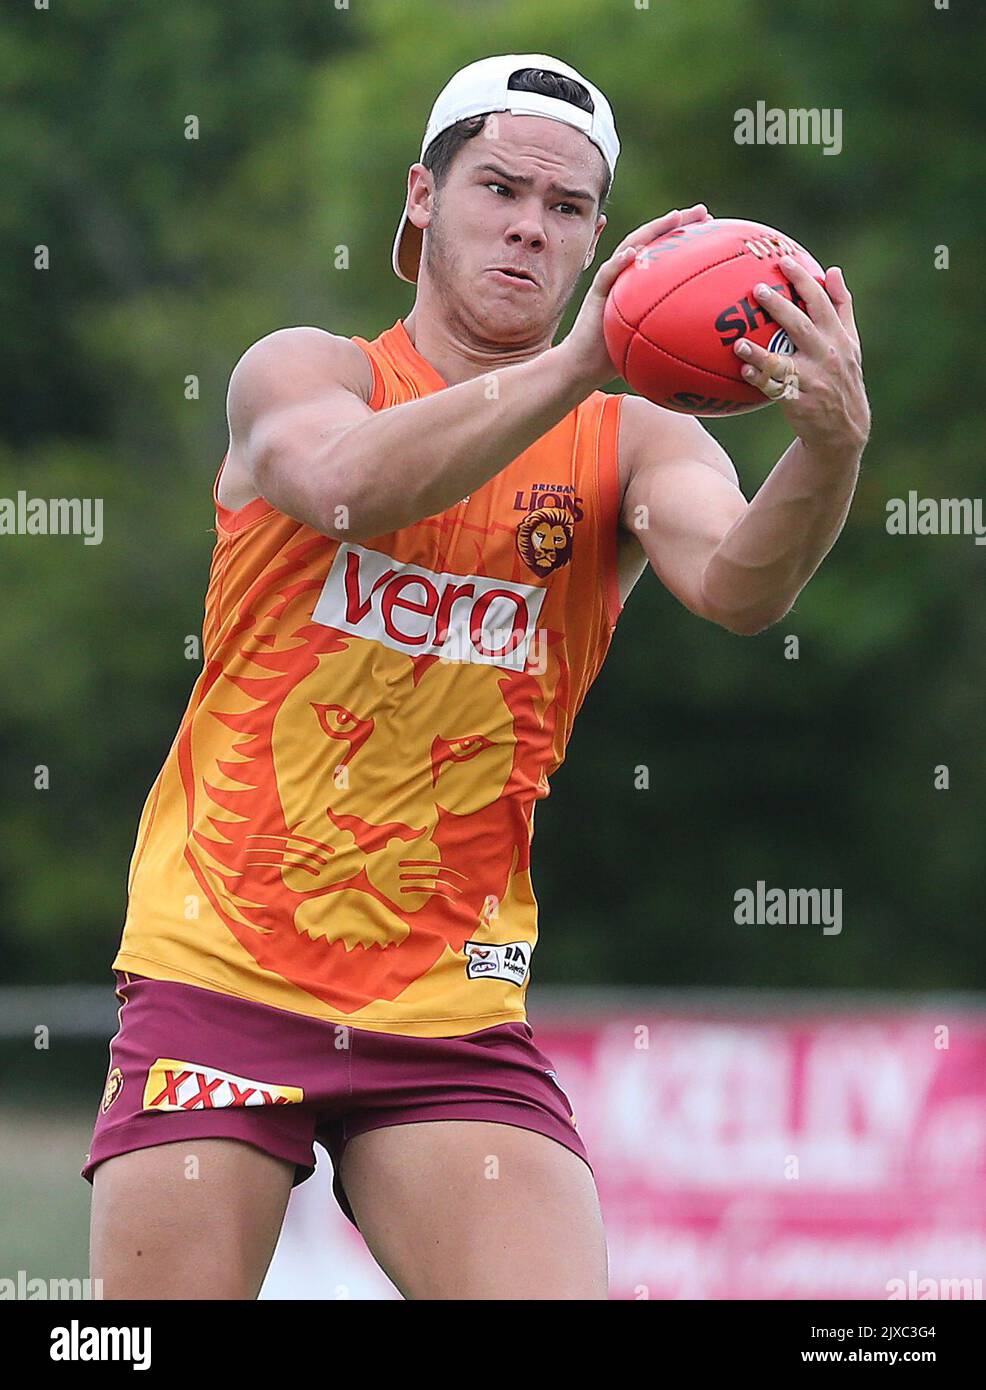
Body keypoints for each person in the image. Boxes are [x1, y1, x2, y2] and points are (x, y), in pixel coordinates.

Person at [84, 53, 869, 1300]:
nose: (527, 226)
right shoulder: (305, 371)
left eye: (564, 210)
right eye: (497, 189)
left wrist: (829, 446)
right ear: (419, 200)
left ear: (598, 239)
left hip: (445, 1003)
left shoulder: (633, 435)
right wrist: (574, 363)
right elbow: (349, 485)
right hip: (218, 970)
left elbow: (739, 587)